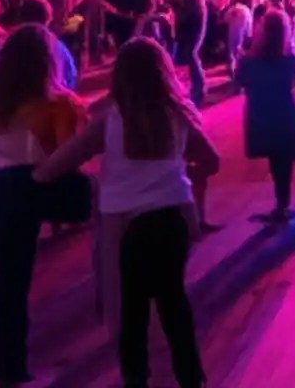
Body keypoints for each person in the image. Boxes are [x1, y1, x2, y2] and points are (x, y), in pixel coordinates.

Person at [34, 38, 216, 388]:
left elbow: (63, 161)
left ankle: (136, 380)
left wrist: (35, 175)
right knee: (174, 302)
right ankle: (191, 378)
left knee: (130, 311)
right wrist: (183, 175)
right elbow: (211, 161)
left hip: (123, 223)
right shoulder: (179, 116)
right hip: (174, 215)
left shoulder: (109, 120)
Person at [0, 24, 85, 385]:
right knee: (105, 198)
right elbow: (66, 159)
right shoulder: (57, 104)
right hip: (31, 187)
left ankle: (4, 365)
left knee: (10, 280)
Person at [236, 9, 295, 222]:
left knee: (275, 159)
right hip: (285, 112)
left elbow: (239, 82)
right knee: (283, 160)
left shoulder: (248, 62)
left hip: (261, 113)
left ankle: (281, 206)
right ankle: (282, 204)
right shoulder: (291, 60)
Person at [173, 0, 208, 107]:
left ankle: (199, 89)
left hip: (193, 31)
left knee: (193, 57)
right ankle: (198, 88)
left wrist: (177, 12)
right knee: (192, 58)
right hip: (193, 30)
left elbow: (186, 16)